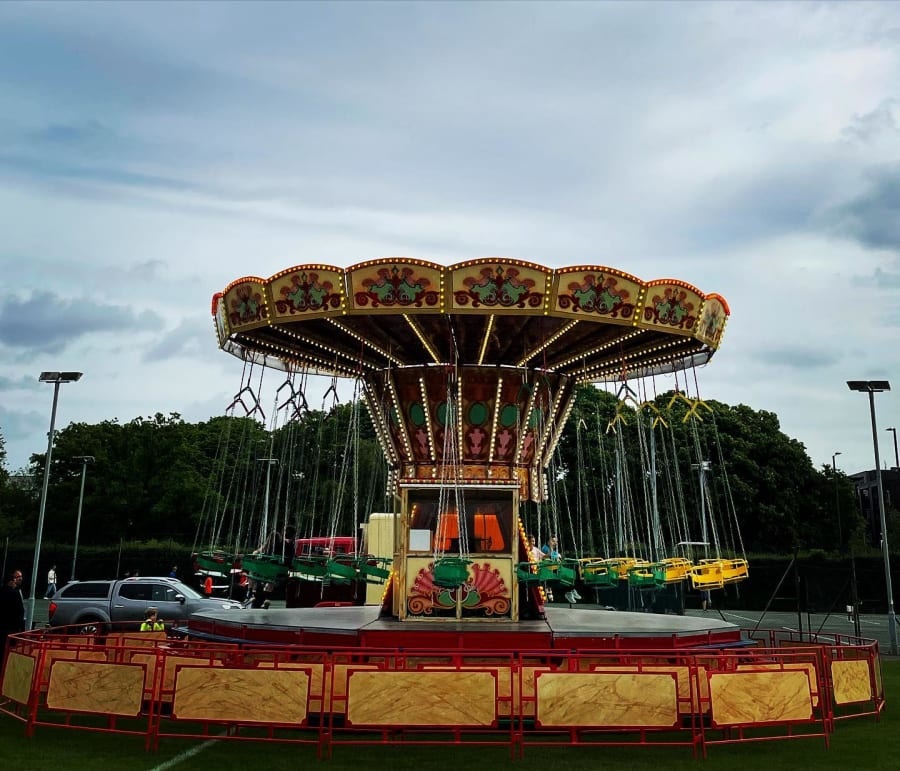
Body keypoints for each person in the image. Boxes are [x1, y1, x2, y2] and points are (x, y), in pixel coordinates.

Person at [1, 569, 26, 658]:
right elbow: (20, 611)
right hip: (11, 628)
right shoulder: (14, 593)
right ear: (12, 580)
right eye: (18, 577)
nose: (20, 578)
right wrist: (21, 629)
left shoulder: (7, 591)